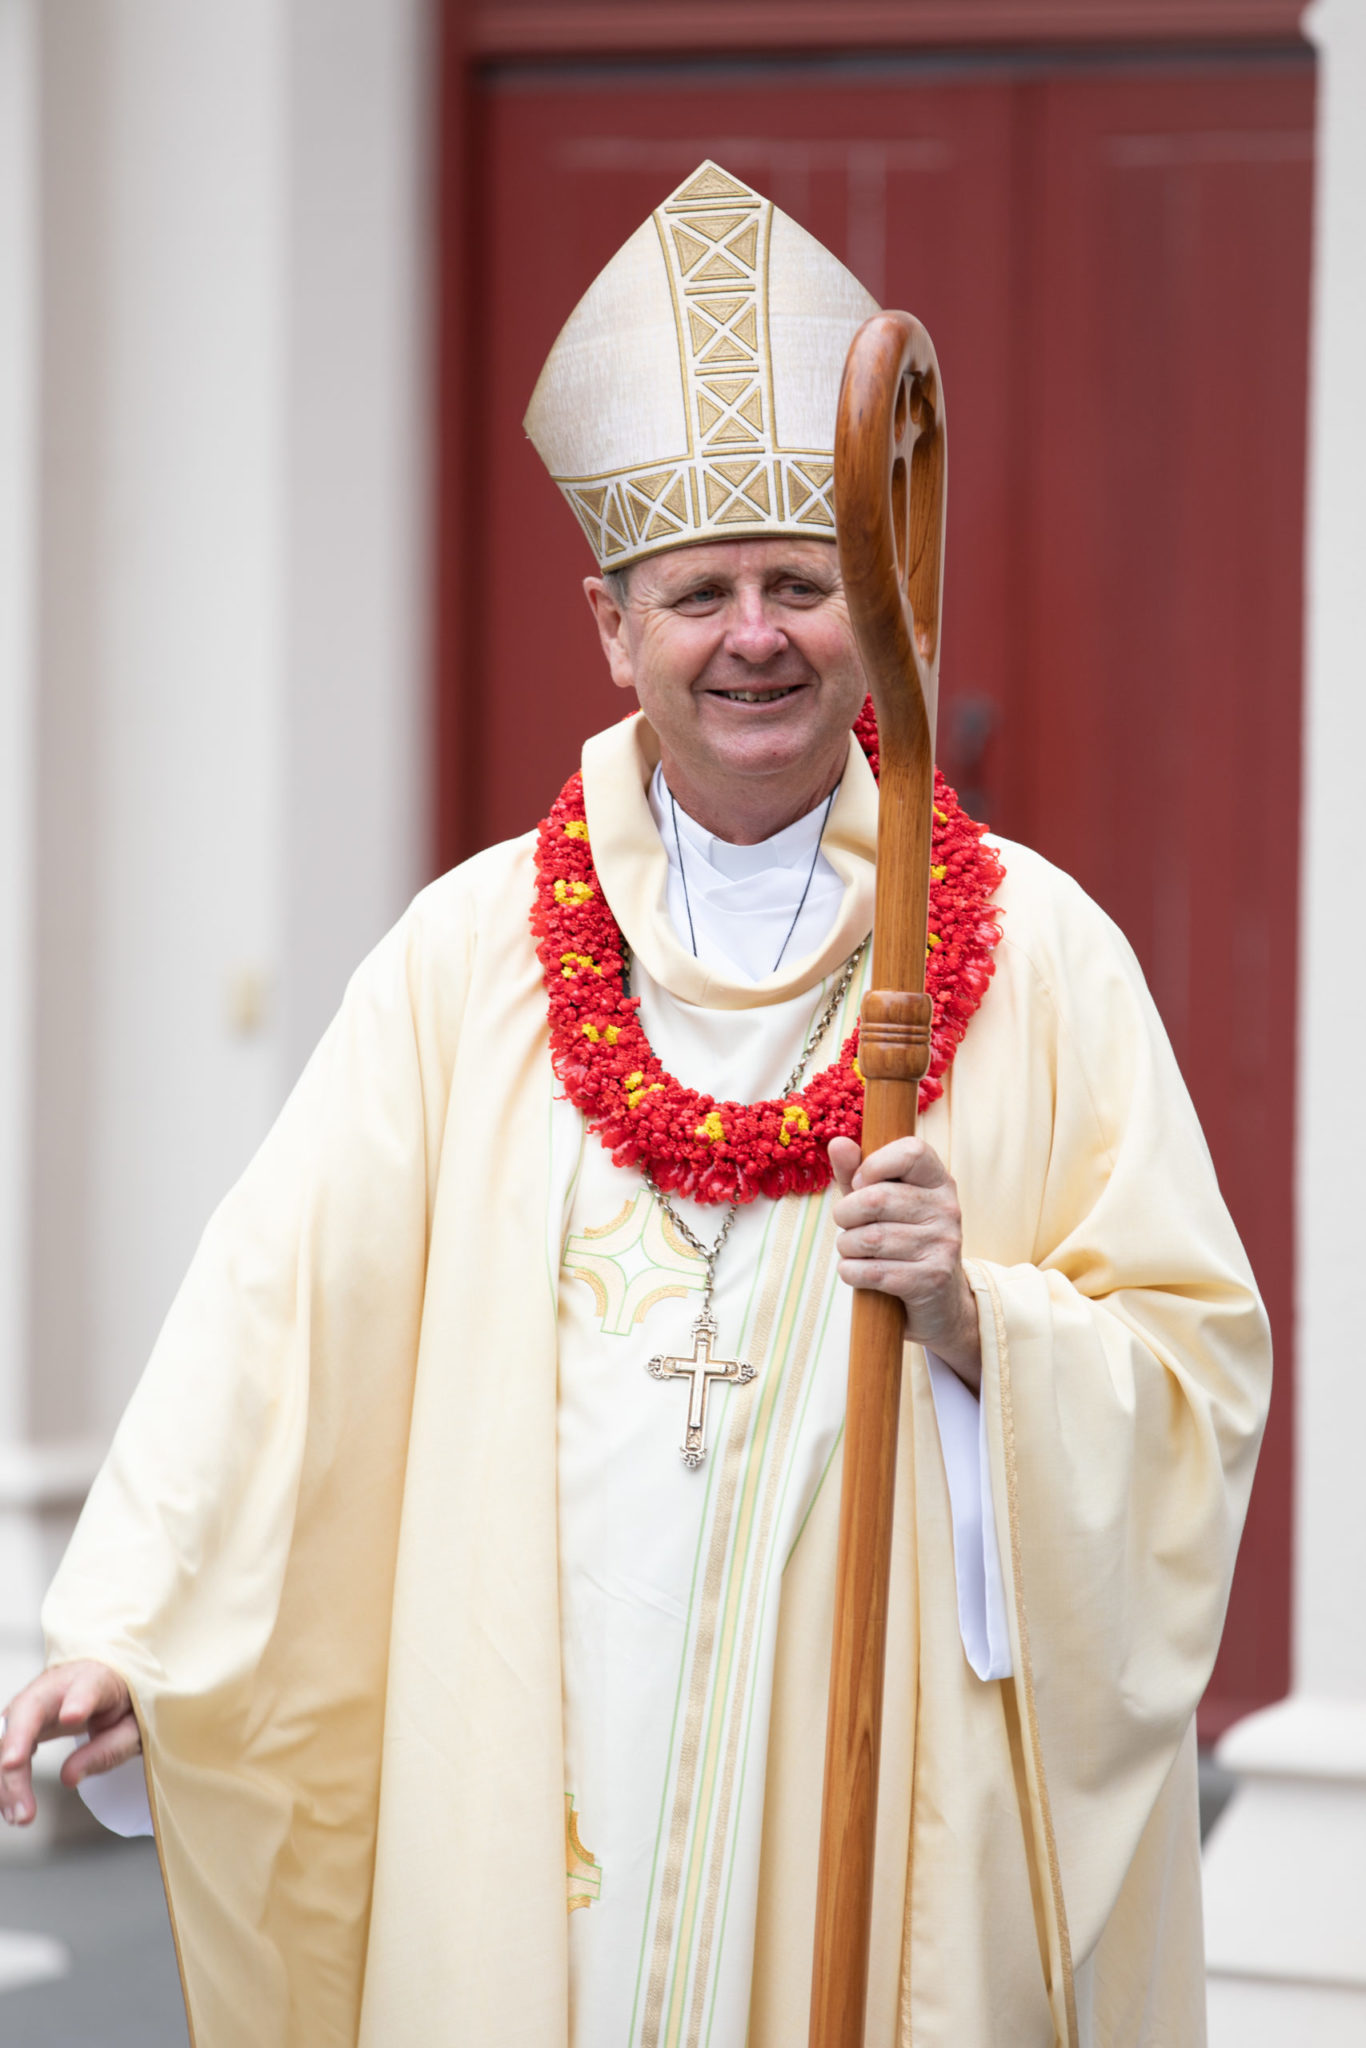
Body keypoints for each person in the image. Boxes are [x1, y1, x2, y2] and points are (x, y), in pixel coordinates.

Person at [0, 163, 1268, 2047]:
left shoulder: (1041, 960)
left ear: (881, 611)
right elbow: (284, 1311)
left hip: (883, 1767)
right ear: (613, 628)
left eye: (797, 585)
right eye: (698, 595)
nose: (752, 636)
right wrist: (135, 1627)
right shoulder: (468, 963)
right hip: (537, 1742)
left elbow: (1191, 1374)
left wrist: (977, 1318)